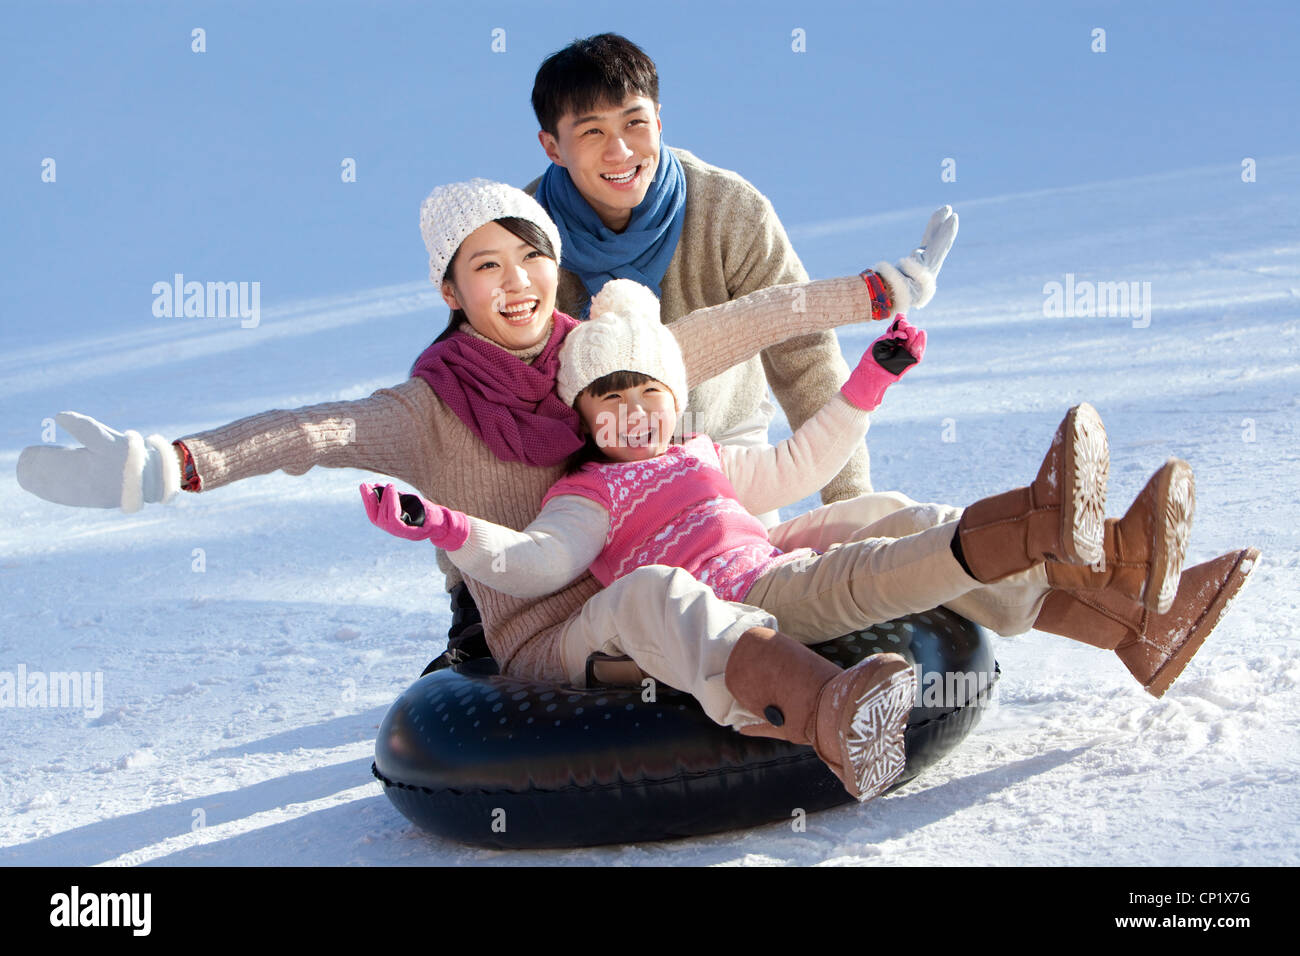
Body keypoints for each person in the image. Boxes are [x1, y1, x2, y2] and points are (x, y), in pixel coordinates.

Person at [15, 179, 954, 693]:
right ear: (449, 289)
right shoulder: (427, 407)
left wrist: (878, 292)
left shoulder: (599, 352)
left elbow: (746, 320)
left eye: (533, 255)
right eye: (486, 265)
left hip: (688, 564)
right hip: (552, 623)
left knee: (856, 524)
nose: (518, 282)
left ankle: (1022, 568)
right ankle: (820, 703)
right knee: (657, 601)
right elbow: (308, 432)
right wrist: (170, 464)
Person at [361, 277, 1259, 799]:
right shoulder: (589, 493)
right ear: (585, 415)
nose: (633, 416)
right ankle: (843, 707)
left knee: (883, 512)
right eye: (609, 401)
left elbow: (802, 461)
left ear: (675, 401)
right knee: (823, 578)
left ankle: (1133, 614)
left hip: (771, 560)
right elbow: (538, 562)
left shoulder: (702, 459)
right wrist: (449, 528)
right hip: (740, 603)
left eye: (646, 396)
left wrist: (872, 376)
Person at [430, 33, 948, 670]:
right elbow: (476, 397)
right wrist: (473, 595)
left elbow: (803, 357)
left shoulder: (729, 211)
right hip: (593, 491)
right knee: (653, 610)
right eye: (591, 132)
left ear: (659, 119)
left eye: (635, 123)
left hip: (719, 463)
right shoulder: (521, 242)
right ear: (551, 145)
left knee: (794, 570)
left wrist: (844, 508)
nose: (620, 151)